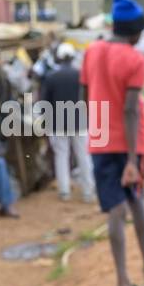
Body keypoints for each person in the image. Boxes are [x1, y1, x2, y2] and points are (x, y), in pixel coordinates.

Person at [81, 0, 144, 286]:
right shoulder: (135, 59)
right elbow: (130, 110)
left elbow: (85, 94)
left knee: (114, 210)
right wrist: (131, 159)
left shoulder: (92, 52)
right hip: (131, 142)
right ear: (136, 33)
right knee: (136, 200)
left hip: (100, 137)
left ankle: (122, 284)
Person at [42, 43, 94, 203]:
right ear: (72, 57)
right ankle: (88, 192)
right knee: (83, 156)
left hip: (57, 123)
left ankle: (64, 192)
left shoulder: (50, 77)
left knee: (61, 156)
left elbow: (44, 103)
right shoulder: (81, 75)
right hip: (79, 122)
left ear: (58, 57)